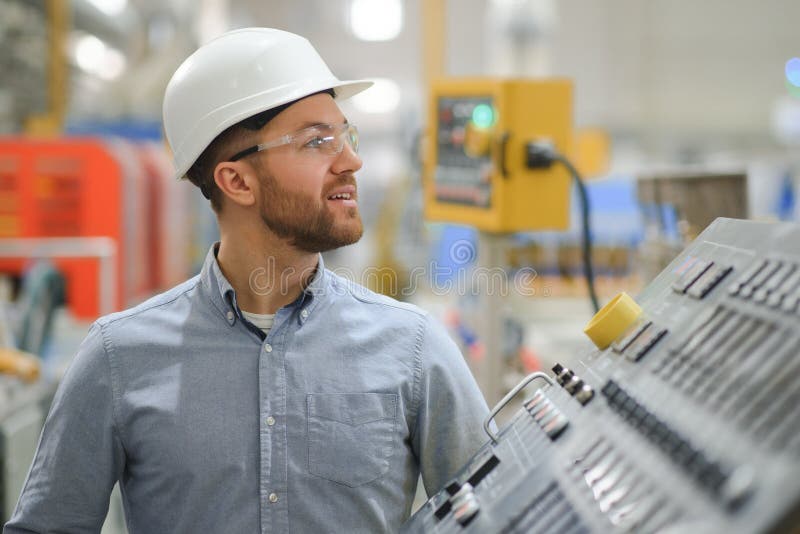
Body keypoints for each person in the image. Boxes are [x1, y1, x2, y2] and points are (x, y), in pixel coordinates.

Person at [5, 28, 490, 533]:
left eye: (346, 136)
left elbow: (492, 517)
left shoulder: (414, 347)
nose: (351, 161)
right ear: (236, 181)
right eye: (318, 142)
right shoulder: (118, 358)